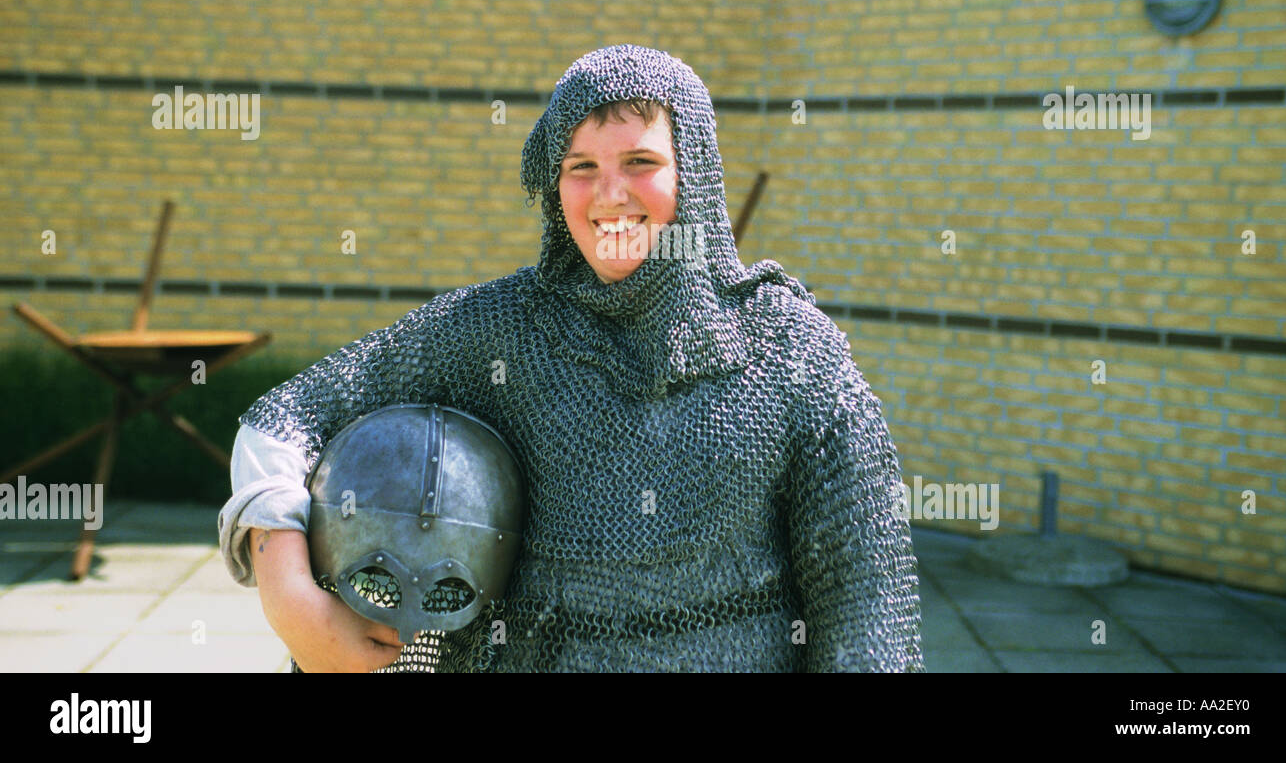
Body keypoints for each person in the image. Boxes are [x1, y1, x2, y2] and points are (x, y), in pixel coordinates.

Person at [217, 44, 925, 672]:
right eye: (581, 166)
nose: (610, 194)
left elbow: (865, 606)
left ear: (695, 172)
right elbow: (287, 416)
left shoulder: (789, 349)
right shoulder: (497, 331)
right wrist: (290, 598)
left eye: (641, 162)